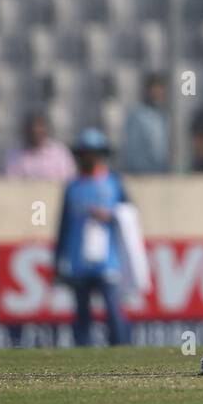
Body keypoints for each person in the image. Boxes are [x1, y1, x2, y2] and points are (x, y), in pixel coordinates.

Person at [53, 129, 131, 346]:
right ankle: (84, 354)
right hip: (79, 262)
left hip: (109, 260)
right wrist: (58, 261)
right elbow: (63, 226)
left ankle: (122, 351)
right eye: (86, 153)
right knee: (82, 315)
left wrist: (111, 215)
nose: (90, 158)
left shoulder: (114, 182)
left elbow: (130, 215)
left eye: (94, 153)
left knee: (114, 311)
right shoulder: (72, 186)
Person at [4, 112, 77, 180]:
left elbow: (69, 179)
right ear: (26, 131)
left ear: (46, 130)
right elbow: (11, 183)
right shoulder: (15, 154)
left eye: (40, 129)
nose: (36, 133)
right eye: (33, 130)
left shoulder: (60, 153)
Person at [121, 73, 170, 173]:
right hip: (142, 175)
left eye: (160, 89)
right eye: (154, 89)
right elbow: (133, 148)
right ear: (147, 90)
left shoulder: (164, 115)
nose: (157, 92)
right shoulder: (137, 115)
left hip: (161, 174)